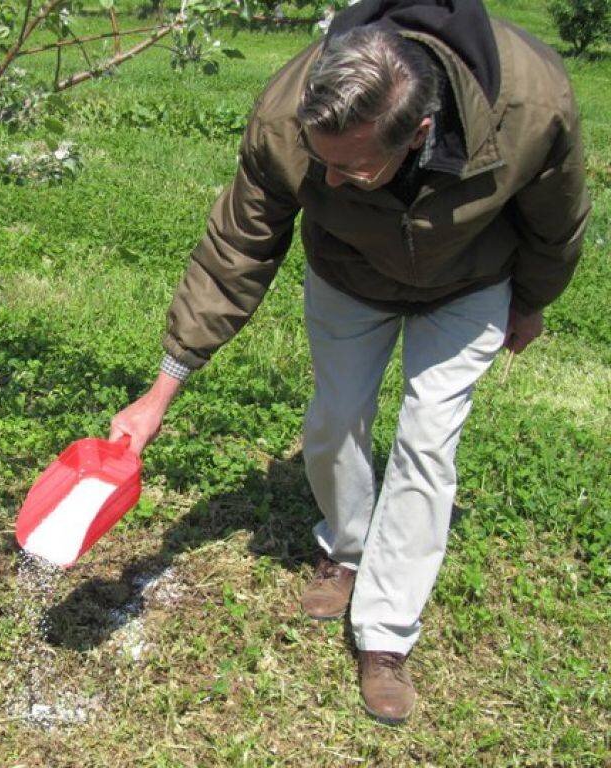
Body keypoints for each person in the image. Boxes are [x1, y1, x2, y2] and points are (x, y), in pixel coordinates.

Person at [108, 0, 590, 724]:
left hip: (471, 281)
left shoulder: (531, 102)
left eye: (353, 169)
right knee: (334, 421)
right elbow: (238, 248)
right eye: (320, 162)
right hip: (348, 275)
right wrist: (164, 387)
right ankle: (346, 548)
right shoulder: (288, 115)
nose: (327, 183)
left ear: (420, 133)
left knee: (428, 442)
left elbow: (558, 219)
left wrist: (532, 299)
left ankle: (386, 634)